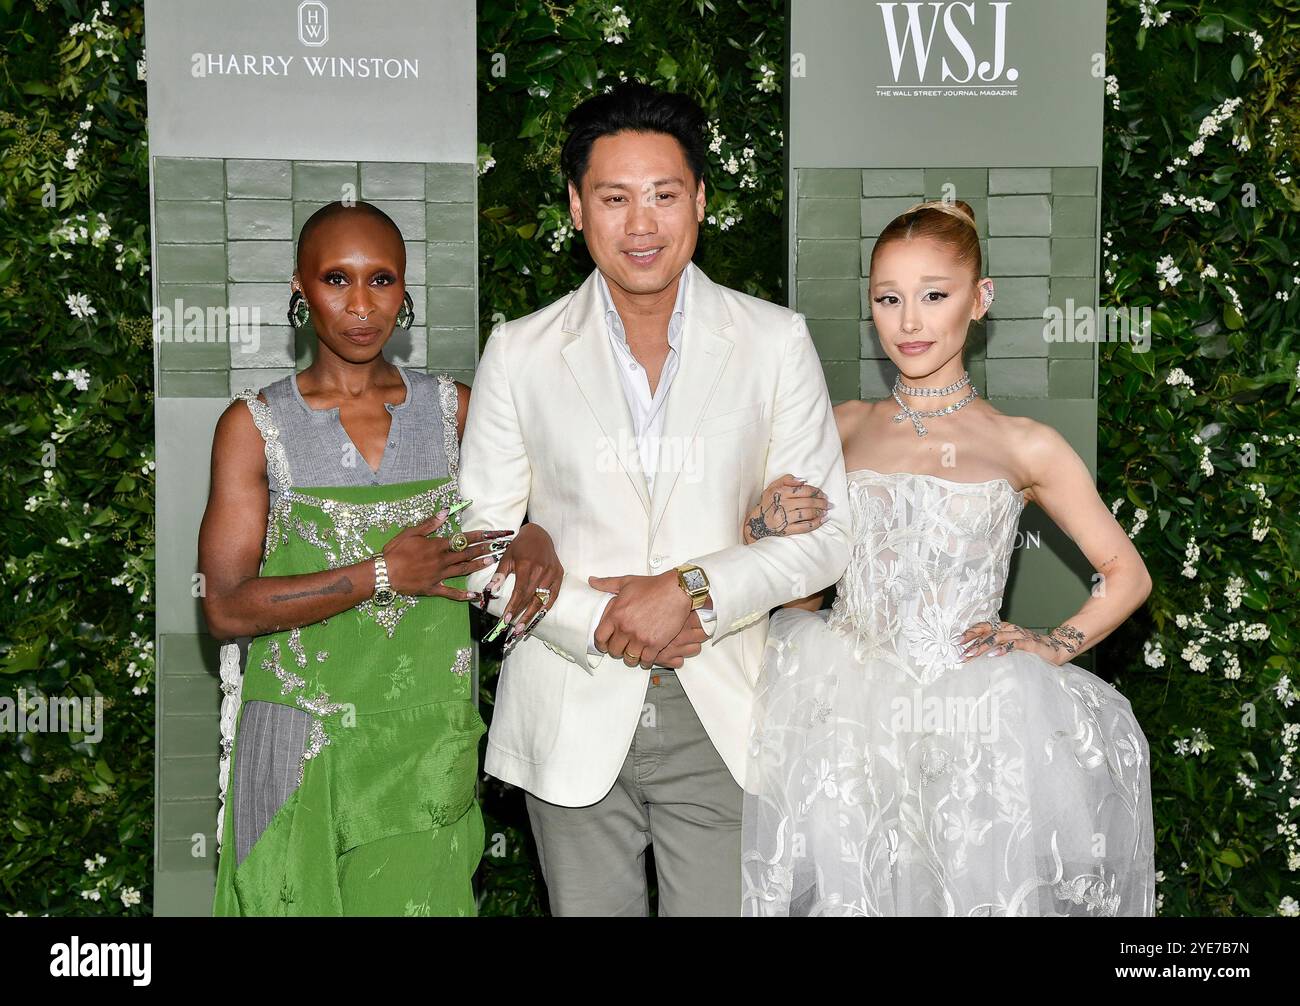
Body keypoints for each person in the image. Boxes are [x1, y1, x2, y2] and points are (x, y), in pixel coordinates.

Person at [457, 82, 851, 916]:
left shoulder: (774, 342)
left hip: (727, 706)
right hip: (568, 705)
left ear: (701, 199)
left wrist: (690, 591)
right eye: (615, 198)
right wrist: (598, 618)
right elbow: (480, 550)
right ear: (576, 206)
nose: (642, 224)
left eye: (665, 195)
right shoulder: (520, 353)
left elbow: (825, 539)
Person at [740, 200, 1157, 917]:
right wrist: (762, 520)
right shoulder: (836, 427)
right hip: (841, 717)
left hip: (979, 726)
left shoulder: (1024, 444)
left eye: (935, 296)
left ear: (980, 299)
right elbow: (784, 575)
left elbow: (1128, 574)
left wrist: (1051, 644)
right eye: (889, 299)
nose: (909, 323)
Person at [200, 200, 562, 916]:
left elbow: (540, 509)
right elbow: (224, 606)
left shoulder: (459, 409)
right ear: (299, 289)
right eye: (337, 280)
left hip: (422, 741)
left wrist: (539, 533)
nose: (361, 306)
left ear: (406, 292)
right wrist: (382, 574)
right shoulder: (254, 426)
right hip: (300, 745)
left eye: (382, 281)